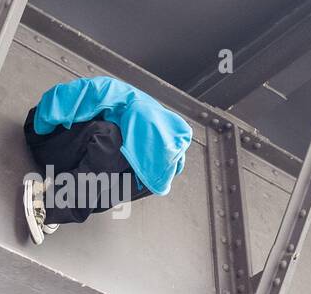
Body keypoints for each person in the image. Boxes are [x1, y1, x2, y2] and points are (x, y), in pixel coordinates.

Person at [22, 75, 193, 244]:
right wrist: (39, 130)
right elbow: (61, 101)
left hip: (75, 168)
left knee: (139, 180)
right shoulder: (114, 94)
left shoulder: (166, 166)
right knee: (112, 138)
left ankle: (57, 199)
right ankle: (47, 199)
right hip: (47, 139)